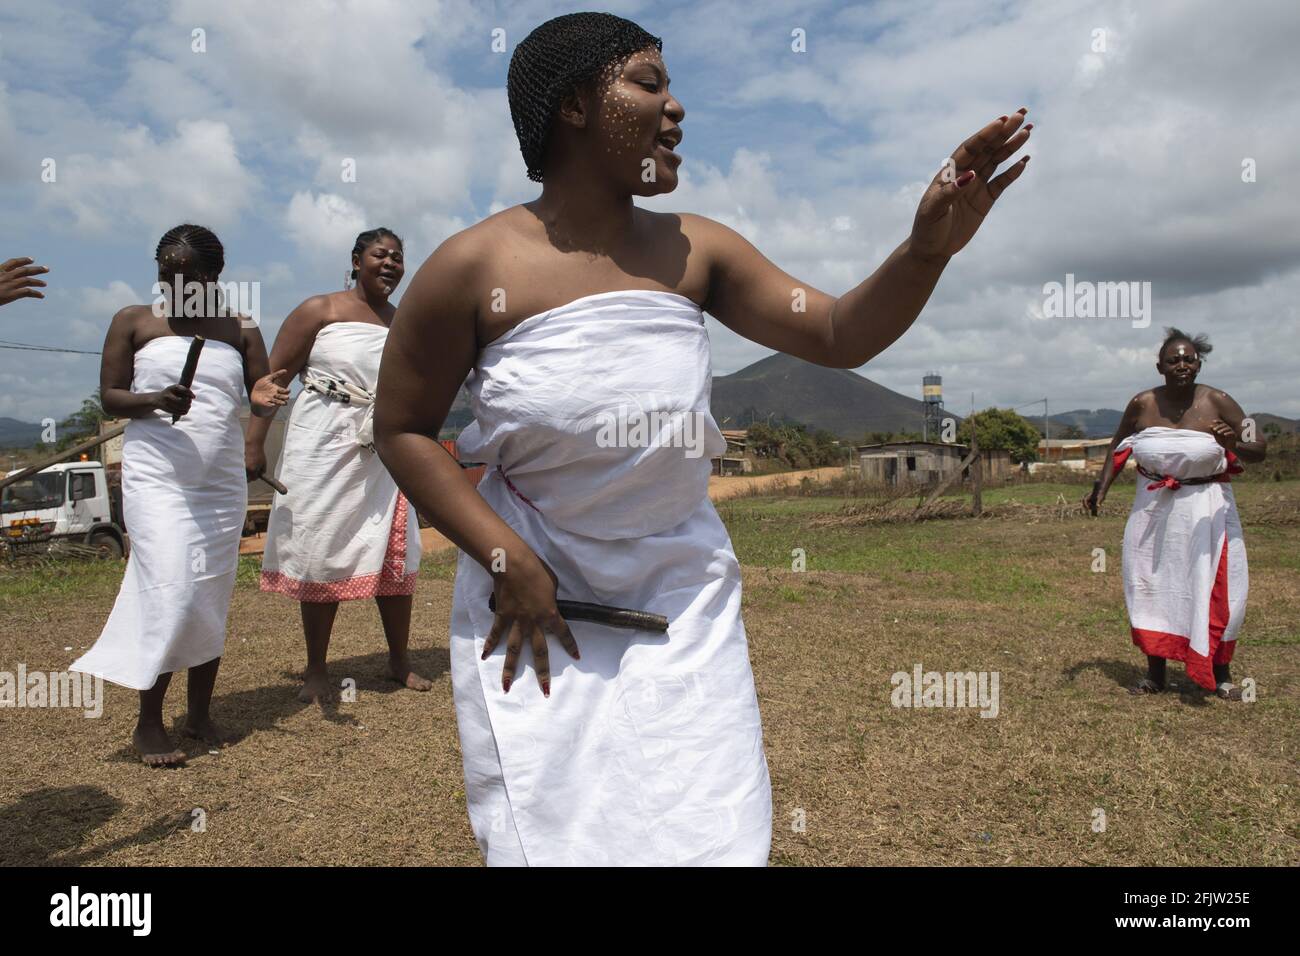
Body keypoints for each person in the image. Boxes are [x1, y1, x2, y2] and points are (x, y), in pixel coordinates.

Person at [374, 11, 1031, 865]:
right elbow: (402, 430)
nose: (676, 108)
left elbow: (836, 333)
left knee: (711, 834)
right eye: (649, 83)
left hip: (685, 607)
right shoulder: (474, 266)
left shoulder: (697, 252)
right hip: (538, 616)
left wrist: (925, 251)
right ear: (575, 105)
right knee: (562, 840)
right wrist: (508, 559)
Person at [71, 224, 288, 766]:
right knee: (170, 584)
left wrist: (264, 398)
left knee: (208, 592)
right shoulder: (134, 321)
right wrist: (153, 399)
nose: (172, 284)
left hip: (217, 482)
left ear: (213, 275)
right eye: (165, 274)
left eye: (186, 276)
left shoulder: (241, 328)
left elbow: (261, 399)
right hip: (157, 480)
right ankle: (149, 722)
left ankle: (198, 714)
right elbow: (110, 399)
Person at [247, 228, 428, 704]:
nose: (390, 263)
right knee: (320, 545)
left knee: (396, 548)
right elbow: (271, 382)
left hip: (382, 446)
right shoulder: (319, 310)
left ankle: (399, 660)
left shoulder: (403, 322)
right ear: (356, 260)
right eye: (379, 254)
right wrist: (254, 445)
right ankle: (316, 669)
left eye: (398, 257)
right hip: (322, 442)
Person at [1086, 328, 1266, 699]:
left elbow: (1259, 448)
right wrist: (1100, 488)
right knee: (1152, 584)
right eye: (1174, 360)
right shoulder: (1142, 403)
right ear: (1160, 367)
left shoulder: (1220, 401)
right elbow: (1118, 445)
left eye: (1188, 359)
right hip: (1152, 510)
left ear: (1198, 364)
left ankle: (1221, 674)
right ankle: (1155, 674)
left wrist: (1232, 444)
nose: (1182, 364)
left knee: (1215, 587)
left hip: (1208, 509)